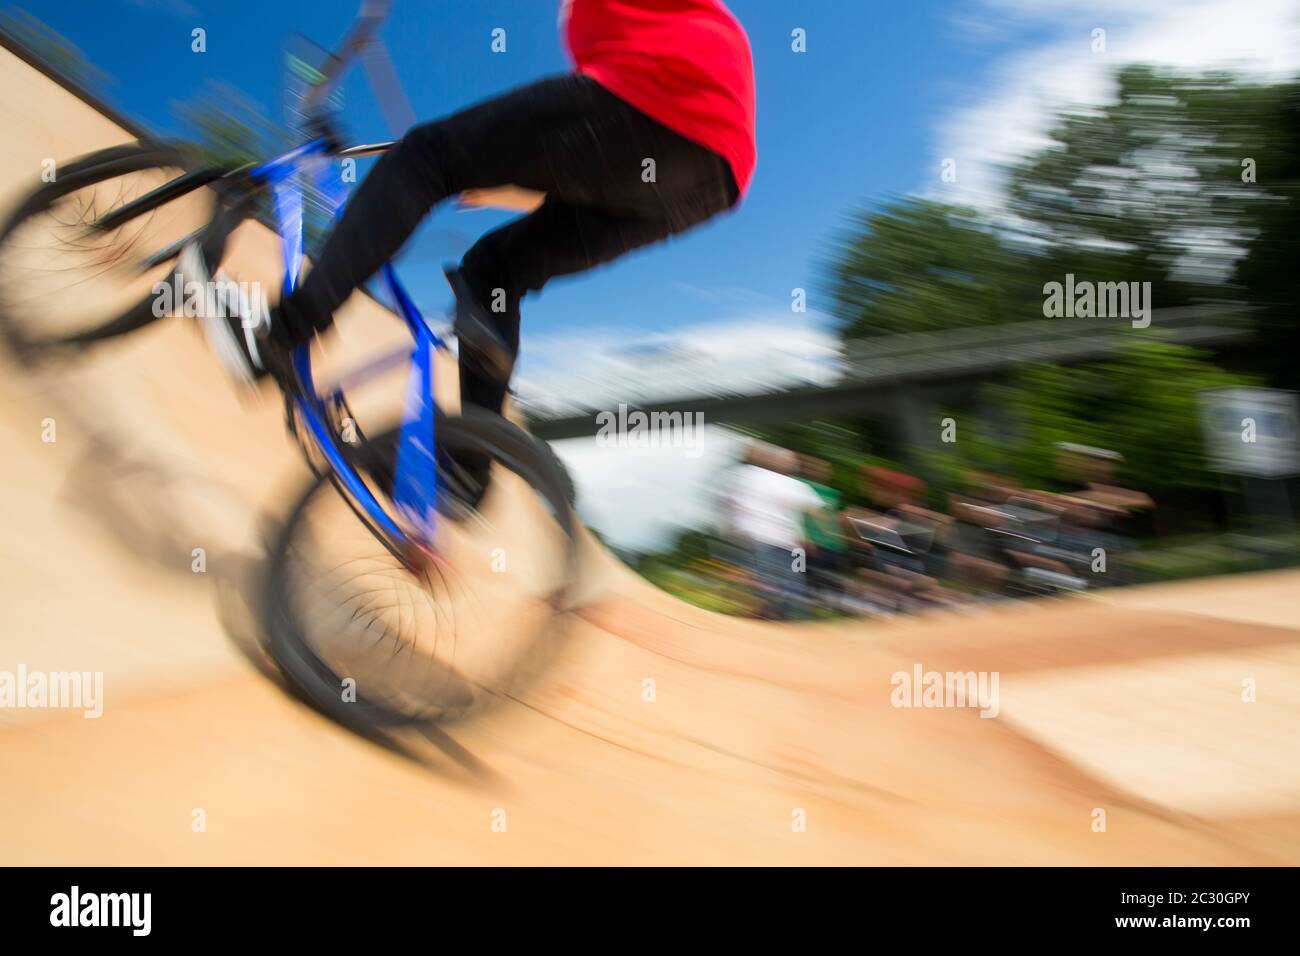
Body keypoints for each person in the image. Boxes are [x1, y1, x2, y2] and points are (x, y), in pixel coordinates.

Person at [209, 0, 756, 503]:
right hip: (707, 175)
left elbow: (599, 132)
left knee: (424, 157)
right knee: (496, 270)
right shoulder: (626, 35)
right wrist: (502, 185)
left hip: (659, 99)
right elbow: (589, 160)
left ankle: (284, 335)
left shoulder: (635, 40)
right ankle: (467, 469)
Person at [717, 445, 822, 620]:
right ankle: (785, 617)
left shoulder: (745, 475)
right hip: (781, 544)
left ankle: (769, 613)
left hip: (760, 540)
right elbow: (816, 510)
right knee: (791, 589)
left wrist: (730, 527)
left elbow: (725, 501)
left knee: (778, 586)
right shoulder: (792, 484)